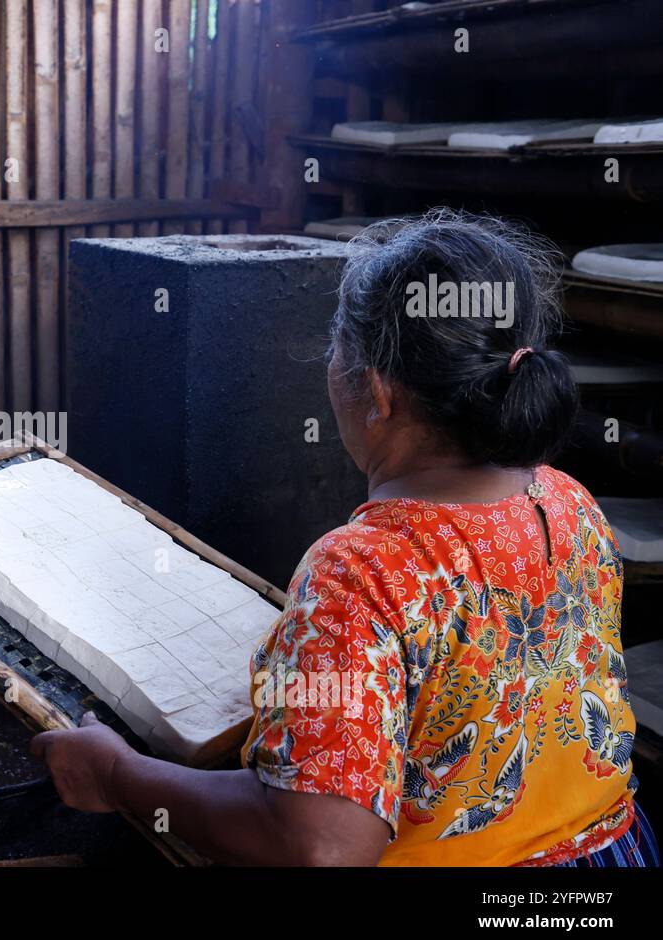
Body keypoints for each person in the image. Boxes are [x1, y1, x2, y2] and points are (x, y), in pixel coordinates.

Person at [32, 210, 656, 866]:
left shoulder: (362, 571)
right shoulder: (568, 501)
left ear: (378, 392)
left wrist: (117, 776)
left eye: (336, 348)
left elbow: (323, 846)